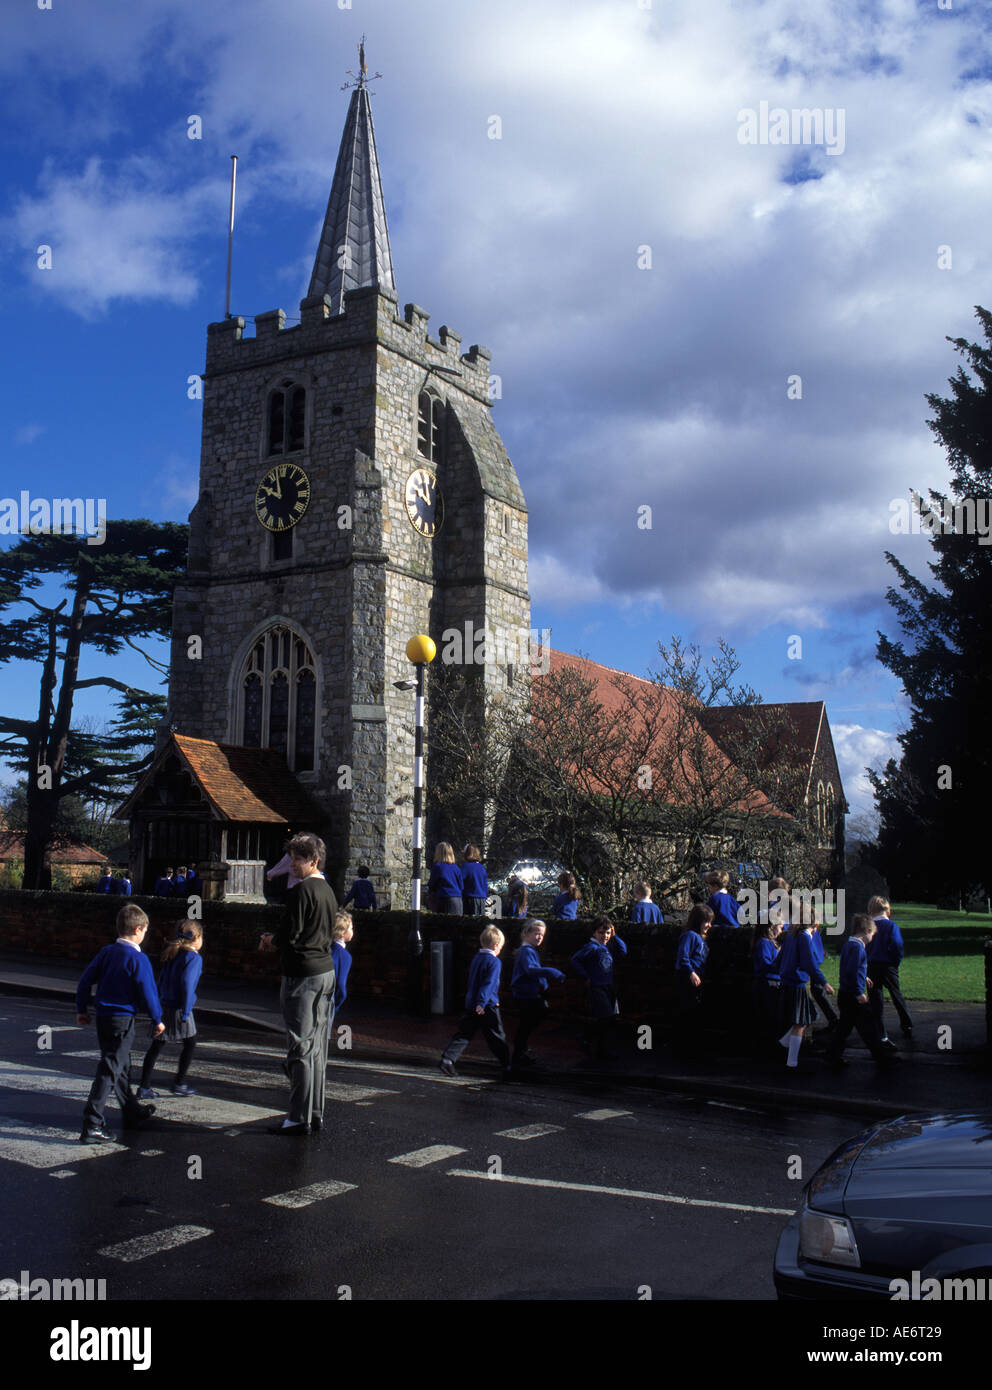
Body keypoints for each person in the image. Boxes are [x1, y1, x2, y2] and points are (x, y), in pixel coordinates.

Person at [259, 833, 338, 1136]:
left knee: (300, 1046)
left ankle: (296, 1117)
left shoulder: (301, 891)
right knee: (317, 1047)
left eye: (297, 859)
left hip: (302, 974)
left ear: (313, 861)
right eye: (291, 858)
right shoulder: (328, 891)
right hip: (325, 972)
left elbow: (291, 934)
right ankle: (315, 1112)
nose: (292, 864)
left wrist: (270, 941)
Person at [75, 904, 164, 1142]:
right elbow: (149, 992)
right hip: (122, 1019)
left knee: (121, 1066)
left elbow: (85, 981)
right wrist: (157, 1019)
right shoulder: (138, 958)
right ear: (137, 929)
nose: (145, 934)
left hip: (103, 1017)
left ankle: (131, 1110)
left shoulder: (106, 952)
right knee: (110, 1068)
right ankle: (92, 1123)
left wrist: (82, 1009)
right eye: (145, 930)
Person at [138, 921, 204, 1098]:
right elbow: (187, 984)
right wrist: (186, 1010)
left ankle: (144, 1086)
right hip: (179, 1007)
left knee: (157, 1045)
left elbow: (161, 980)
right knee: (190, 1043)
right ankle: (179, 1083)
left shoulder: (174, 952)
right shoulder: (194, 958)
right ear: (197, 937)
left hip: (164, 1004)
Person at [826, 916, 899, 1069]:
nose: (872, 938)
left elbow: (850, 967)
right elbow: (852, 971)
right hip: (853, 996)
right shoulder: (857, 948)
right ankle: (881, 1057)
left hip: (845, 993)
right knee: (869, 1027)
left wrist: (864, 976)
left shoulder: (849, 945)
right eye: (872, 934)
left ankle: (833, 1056)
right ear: (866, 931)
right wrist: (859, 993)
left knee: (844, 1028)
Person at [440, 925, 511, 1078]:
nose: (500, 950)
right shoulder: (495, 962)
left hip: (471, 1003)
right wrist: (482, 1002)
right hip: (488, 1005)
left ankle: (447, 1059)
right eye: (501, 947)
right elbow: (489, 983)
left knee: (465, 1033)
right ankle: (508, 1065)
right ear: (496, 945)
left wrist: (476, 1002)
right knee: (497, 1036)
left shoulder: (477, 958)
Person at [777, 904, 835, 1069]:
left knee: (809, 1015)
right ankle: (792, 1063)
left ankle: (784, 1044)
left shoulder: (791, 935)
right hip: (797, 983)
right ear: (816, 924)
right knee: (800, 1023)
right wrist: (824, 982)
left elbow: (779, 959)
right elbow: (810, 964)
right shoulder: (804, 937)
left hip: (786, 982)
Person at [570, 916, 627, 1059]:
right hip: (596, 987)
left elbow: (623, 951)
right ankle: (593, 1042)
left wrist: (615, 936)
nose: (605, 936)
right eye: (601, 933)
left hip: (608, 987)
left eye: (607, 933)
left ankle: (593, 1042)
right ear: (594, 933)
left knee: (609, 1018)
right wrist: (585, 976)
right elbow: (575, 960)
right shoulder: (591, 947)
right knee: (605, 1017)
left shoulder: (606, 947)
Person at [510, 920, 564, 1070]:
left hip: (530, 993)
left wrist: (543, 982)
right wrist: (551, 972)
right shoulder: (526, 951)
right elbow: (531, 970)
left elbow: (534, 970)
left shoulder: (531, 950)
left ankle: (521, 1050)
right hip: (524, 994)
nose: (540, 937)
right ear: (526, 933)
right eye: (536, 933)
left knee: (530, 1020)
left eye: (542, 935)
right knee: (528, 1022)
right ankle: (519, 1053)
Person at [866, 895, 913, 1041]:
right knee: (896, 994)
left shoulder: (868, 927)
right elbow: (897, 945)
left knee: (875, 999)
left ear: (871, 910)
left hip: (871, 966)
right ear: (888, 911)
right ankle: (906, 1023)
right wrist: (895, 962)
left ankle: (880, 1031)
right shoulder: (891, 926)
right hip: (888, 966)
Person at [674, 903, 713, 1057]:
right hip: (687, 979)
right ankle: (686, 1050)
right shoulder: (690, 936)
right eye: (706, 921)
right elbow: (683, 957)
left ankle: (692, 1049)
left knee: (694, 1014)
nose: (709, 925)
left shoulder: (701, 939)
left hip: (696, 980)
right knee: (688, 1014)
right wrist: (691, 972)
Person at [751, 914, 783, 1050]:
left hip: (771, 983)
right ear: (772, 926)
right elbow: (765, 965)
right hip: (766, 984)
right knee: (768, 1019)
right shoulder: (764, 943)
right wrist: (782, 964)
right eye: (780, 928)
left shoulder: (771, 943)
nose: (781, 931)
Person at [808, 918, 838, 1034]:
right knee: (816, 989)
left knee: (815, 989)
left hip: (809, 958)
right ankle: (832, 1019)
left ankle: (830, 1018)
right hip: (812, 956)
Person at [331, 910, 354, 1035]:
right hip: (330, 1002)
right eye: (351, 928)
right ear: (342, 932)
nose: (353, 931)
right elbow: (340, 985)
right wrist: (337, 1005)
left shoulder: (326, 948)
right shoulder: (344, 956)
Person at [427, 842, 463, 915]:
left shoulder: (438, 867)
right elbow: (461, 886)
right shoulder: (456, 868)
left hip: (444, 899)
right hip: (458, 899)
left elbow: (432, 885)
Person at [460, 845, 489, 916]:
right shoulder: (482, 868)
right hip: (482, 899)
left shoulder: (465, 867)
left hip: (470, 898)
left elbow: (460, 883)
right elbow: (485, 885)